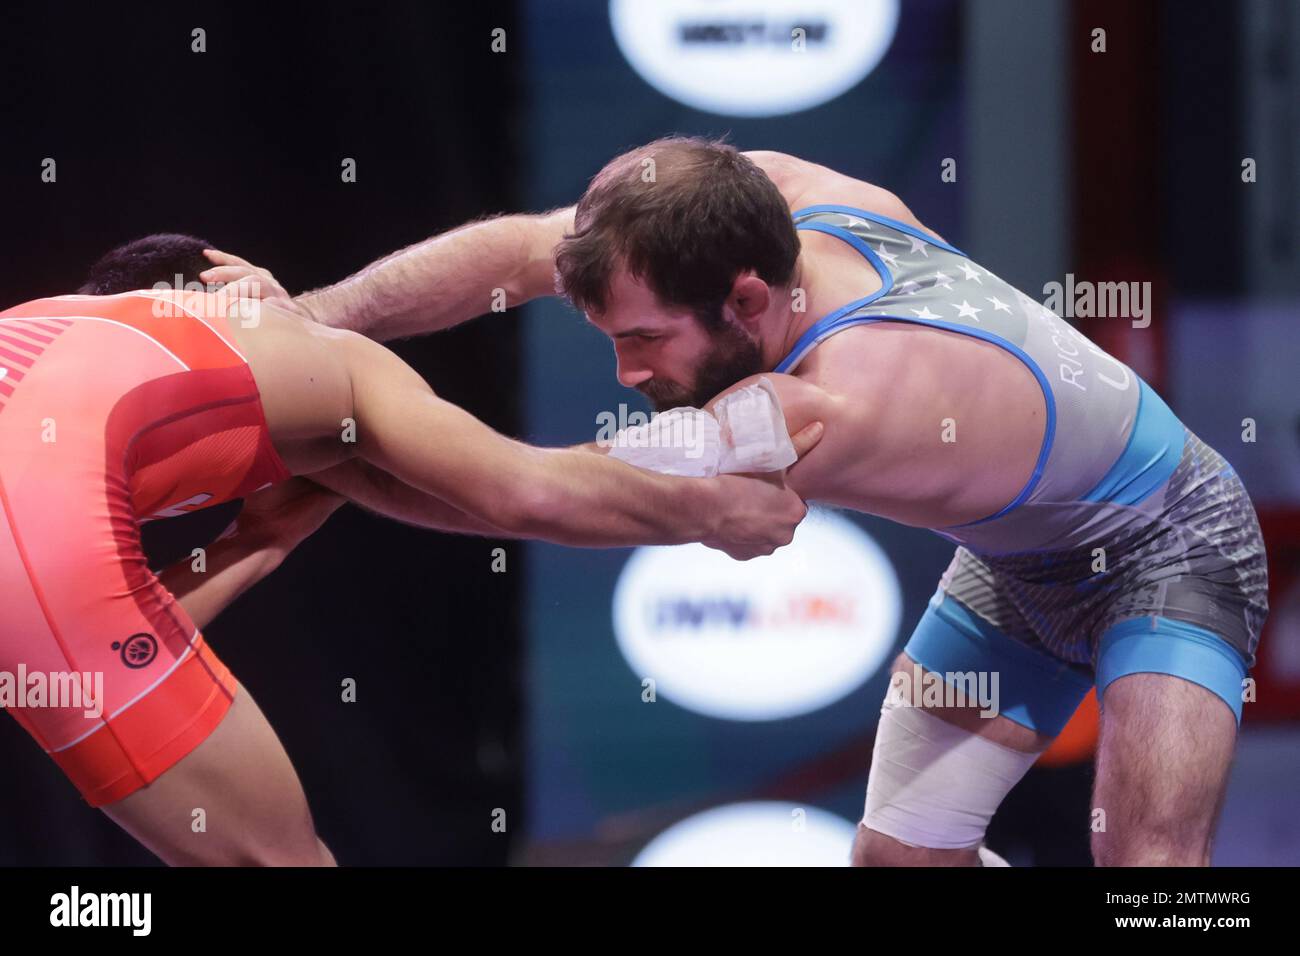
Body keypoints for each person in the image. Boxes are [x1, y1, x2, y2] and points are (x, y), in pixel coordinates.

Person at [211, 137, 1269, 866]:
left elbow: (527, 492)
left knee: (1150, 869)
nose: (626, 372)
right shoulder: (765, 198)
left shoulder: (838, 398)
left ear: (748, 301)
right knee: (901, 857)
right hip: (1014, 562)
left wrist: (334, 451)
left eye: (642, 342)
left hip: (1167, 543)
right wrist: (304, 321)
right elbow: (510, 250)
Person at [0, 232, 818, 865]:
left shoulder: (43, 329)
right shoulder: (329, 357)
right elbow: (520, 490)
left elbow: (45, 637)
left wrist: (256, 544)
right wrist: (710, 512)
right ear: (226, 290)